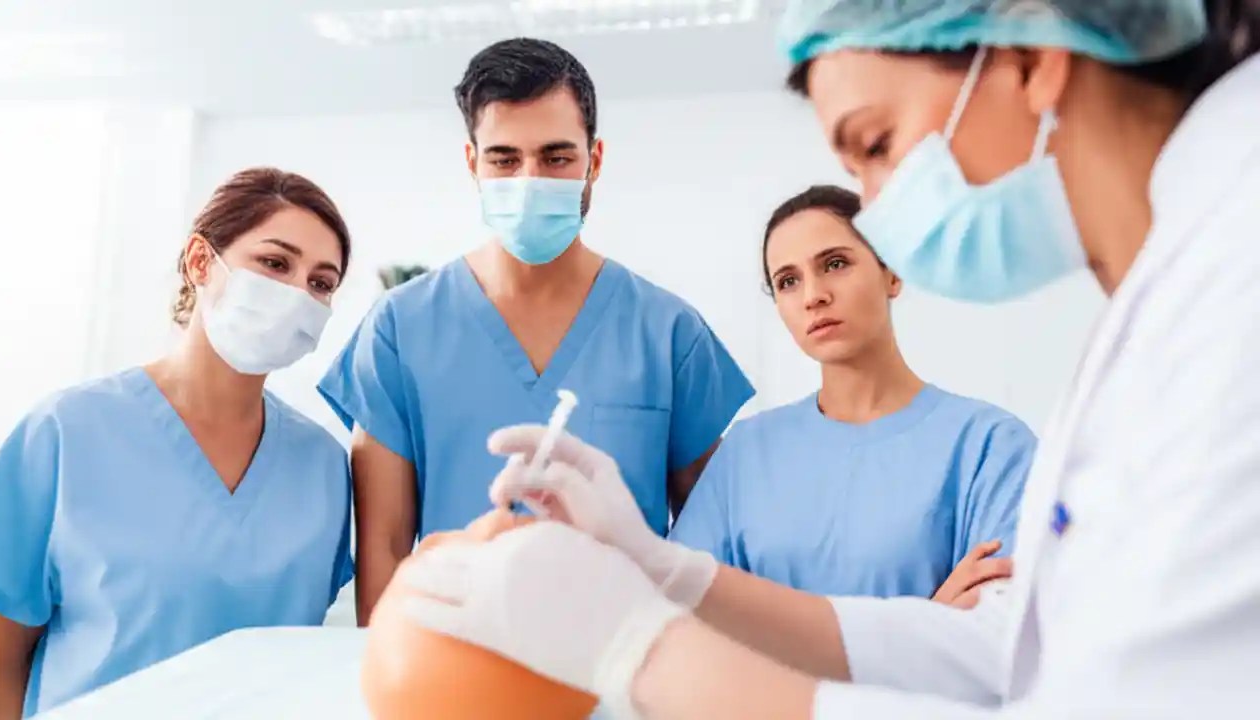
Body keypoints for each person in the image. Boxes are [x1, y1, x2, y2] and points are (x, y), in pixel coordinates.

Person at [387, 1, 1260, 718]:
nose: (879, 213)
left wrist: (643, 648)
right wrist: (670, 573)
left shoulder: (1233, 281)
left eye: (876, 145)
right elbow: (1007, 653)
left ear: (1031, 53)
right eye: (789, 279)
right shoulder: (1185, 270)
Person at [318, 37, 754, 625]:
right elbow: (385, 547)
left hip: (629, 672)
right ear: (472, 163)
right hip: (452, 667)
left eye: (556, 157)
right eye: (504, 158)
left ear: (593, 161)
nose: (530, 179)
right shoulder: (400, 327)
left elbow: (705, 550)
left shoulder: (667, 331)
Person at [0, 168, 356, 720]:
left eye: (321, 283)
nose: (298, 293)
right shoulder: (67, 431)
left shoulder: (323, 466)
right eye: (275, 264)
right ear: (201, 262)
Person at [671, 184, 1034, 604]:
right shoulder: (744, 455)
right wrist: (931, 618)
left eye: (836, 263)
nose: (814, 296)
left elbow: (995, 628)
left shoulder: (989, 448)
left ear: (893, 271)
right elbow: (683, 618)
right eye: (788, 281)